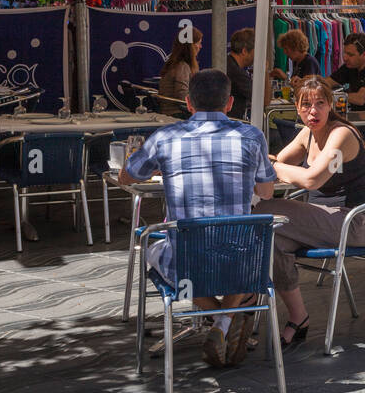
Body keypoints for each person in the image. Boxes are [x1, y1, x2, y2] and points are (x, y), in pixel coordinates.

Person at [118, 69, 277, 368]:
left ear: (188, 103)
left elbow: (126, 176)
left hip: (187, 264)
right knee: (240, 246)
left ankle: (219, 322)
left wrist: (161, 168)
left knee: (151, 251)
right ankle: (224, 324)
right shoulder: (252, 135)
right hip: (242, 263)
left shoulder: (165, 137)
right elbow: (266, 192)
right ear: (230, 103)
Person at [257, 78, 365, 352]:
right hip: (325, 219)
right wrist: (275, 166)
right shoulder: (307, 134)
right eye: (306, 105)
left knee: (264, 212)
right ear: (297, 109)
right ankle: (298, 317)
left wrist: (273, 168)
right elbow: (280, 161)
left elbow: (312, 180)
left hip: (358, 221)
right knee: (271, 236)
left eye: (320, 104)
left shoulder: (342, 134)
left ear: (331, 105)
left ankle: (239, 308)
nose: (313, 111)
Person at [158, 26, 202, 117]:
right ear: (190, 45)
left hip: (170, 112)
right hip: (177, 114)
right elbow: (182, 95)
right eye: (198, 43)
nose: (200, 47)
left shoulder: (175, 64)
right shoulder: (182, 66)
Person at [226, 27, 257, 121]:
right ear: (244, 51)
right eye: (255, 51)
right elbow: (262, 100)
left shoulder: (227, 62)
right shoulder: (237, 73)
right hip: (233, 122)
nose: (257, 54)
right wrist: (265, 69)